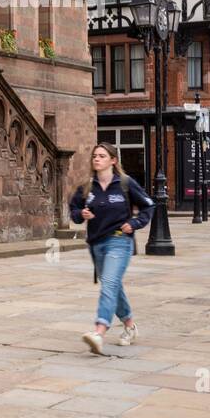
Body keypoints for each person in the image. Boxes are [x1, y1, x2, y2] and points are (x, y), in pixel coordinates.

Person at [67, 143, 155, 355]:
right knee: (113, 285)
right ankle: (130, 326)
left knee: (109, 285)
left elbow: (149, 205)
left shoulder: (125, 184)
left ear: (113, 161)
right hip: (96, 243)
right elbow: (74, 210)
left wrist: (134, 224)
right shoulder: (87, 187)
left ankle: (99, 331)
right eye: (95, 156)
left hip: (119, 241)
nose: (96, 159)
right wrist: (81, 215)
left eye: (102, 156)